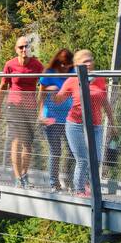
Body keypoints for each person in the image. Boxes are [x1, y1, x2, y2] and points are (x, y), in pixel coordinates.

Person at [50, 49, 115, 197]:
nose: (89, 63)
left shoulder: (99, 79)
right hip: (76, 125)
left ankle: (87, 184)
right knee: (83, 159)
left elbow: (105, 101)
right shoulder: (72, 80)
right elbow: (58, 100)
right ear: (76, 65)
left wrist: (112, 122)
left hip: (96, 126)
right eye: (84, 61)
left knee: (96, 158)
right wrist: (52, 91)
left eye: (90, 60)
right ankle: (79, 189)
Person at [0, 35, 44, 189]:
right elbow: (3, 87)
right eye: (21, 47)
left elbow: (44, 86)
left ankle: (24, 175)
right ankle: (17, 178)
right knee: (16, 140)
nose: (24, 49)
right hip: (14, 106)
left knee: (28, 145)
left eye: (26, 46)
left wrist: (42, 109)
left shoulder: (37, 65)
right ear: (16, 49)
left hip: (30, 107)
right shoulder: (10, 65)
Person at [38, 49, 74, 192]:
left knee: (72, 150)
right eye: (62, 63)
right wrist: (40, 114)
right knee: (55, 150)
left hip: (69, 118)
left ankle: (68, 179)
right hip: (51, 118)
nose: (65, 67)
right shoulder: (49, 73)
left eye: (68, 64)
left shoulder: (73, 72)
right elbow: (41, 94)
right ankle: (54, 183)